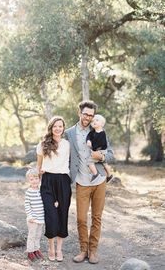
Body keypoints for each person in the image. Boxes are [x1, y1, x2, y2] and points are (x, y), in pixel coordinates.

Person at [65, 100, 114, 264]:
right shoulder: (69, 133)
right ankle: (82, 250)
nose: (88, 117)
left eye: (91, 115)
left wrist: (101, 157)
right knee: (80, 219)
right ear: (79, 113)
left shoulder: (99, 130)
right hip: (81, 181)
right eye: (85, 114)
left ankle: (93, 251)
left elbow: (111, 153)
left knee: (97, 217)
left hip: (99, 180)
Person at [36, 116, 71, 262]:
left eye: (60, 126)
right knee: (50, 215)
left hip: (63, 181)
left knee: (62, 214)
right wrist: (37, 180)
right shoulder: (42, 144)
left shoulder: (67, 144)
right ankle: (50, 248)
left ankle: (59, 250)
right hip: (48, 181)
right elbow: (39, 165)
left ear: (63, 128)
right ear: (51, 127)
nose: (58, 128)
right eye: (55, 126)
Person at [24, 168, 45, 262]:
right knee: (32, 235)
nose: (34, 181)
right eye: (31, 179)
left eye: (36, 178)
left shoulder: (41, 190)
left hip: (41, 218)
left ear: (39, 179)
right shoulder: (29, 192)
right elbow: (27, 205)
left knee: (38, 235)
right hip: (32, 219)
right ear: (29, 180)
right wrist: (30, 216)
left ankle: (36, 249)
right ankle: (30, 251)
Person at [86, 114, 113, 183]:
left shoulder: (102, 133)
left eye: (97, 120)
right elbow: (89, 136)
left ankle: (95, 174)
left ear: (102, 124)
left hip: (101, 150)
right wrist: (88, 141)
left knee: (89, 162)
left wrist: (95, 149)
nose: (94, 122)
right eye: (92, 121)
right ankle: (109, 175)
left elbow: (103, 144)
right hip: (96, 150)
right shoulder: (92, 132)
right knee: (104, 163)